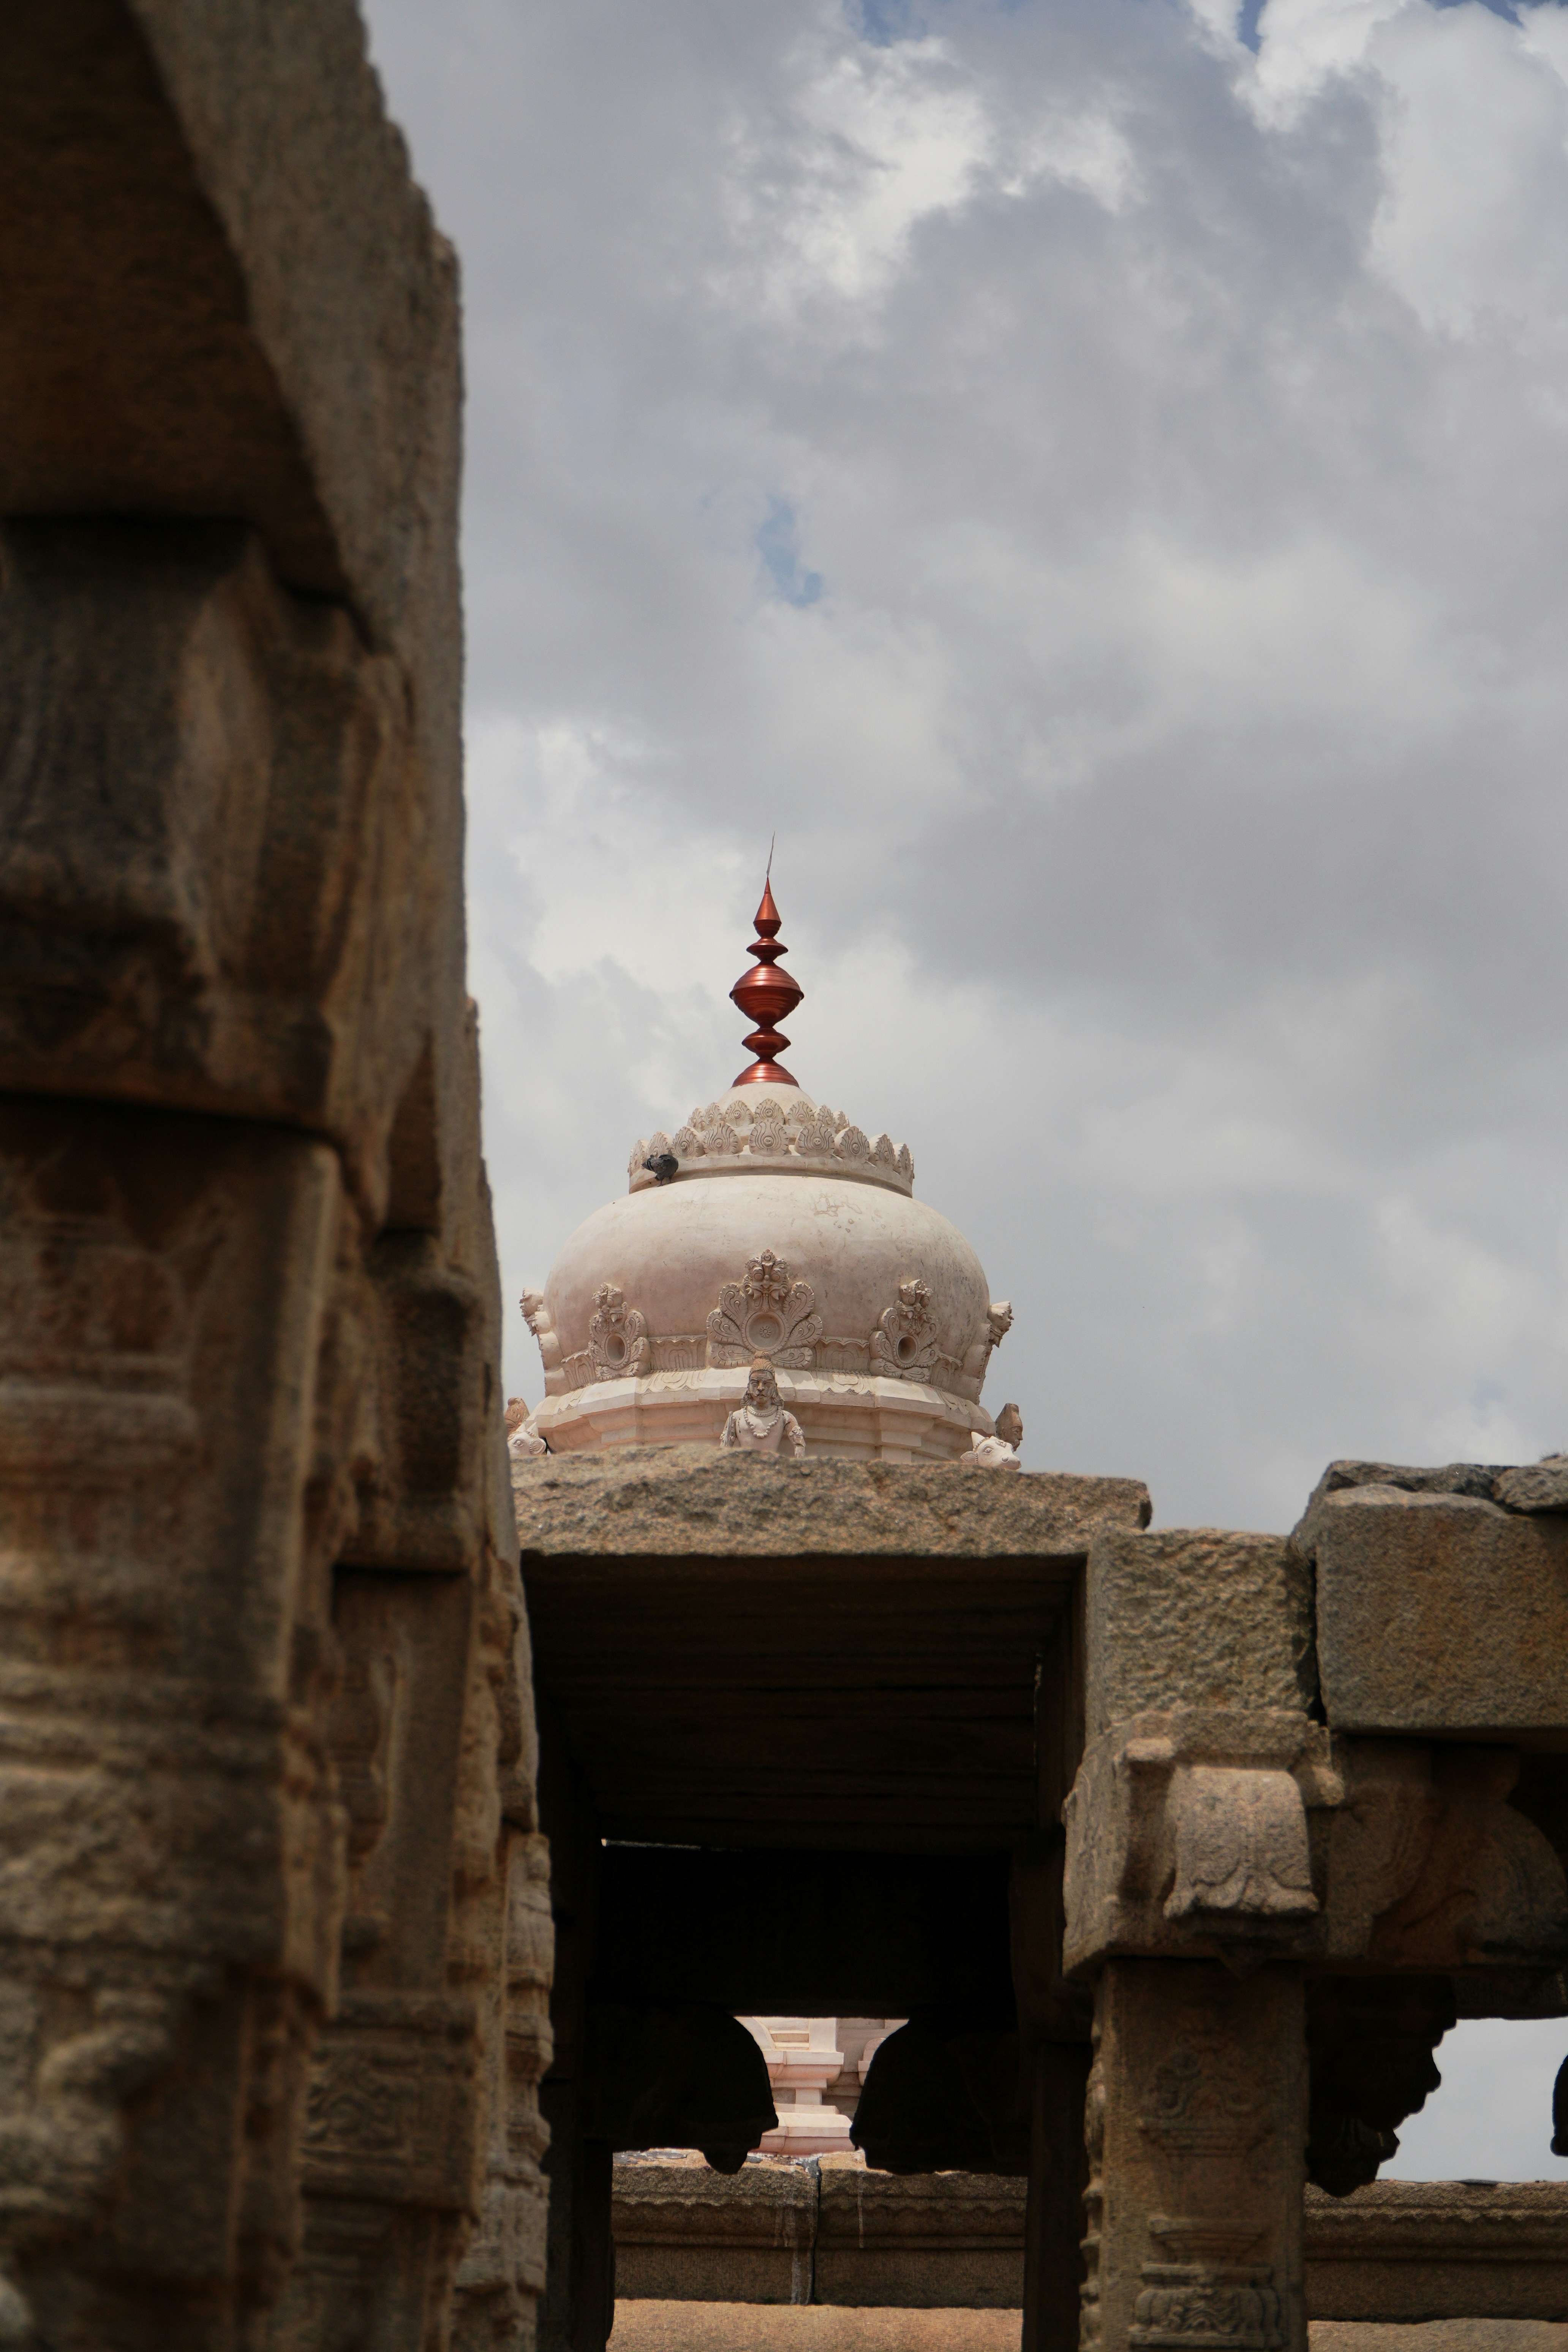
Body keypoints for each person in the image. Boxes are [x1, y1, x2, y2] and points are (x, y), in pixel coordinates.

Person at [720, 1356, 806, 1456]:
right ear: (749, 1387)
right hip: (744, 1468)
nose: (761, 1388)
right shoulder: (736, 1417)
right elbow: (724, 1449)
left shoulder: (785, 1417)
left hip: (775, 1468)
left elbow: (800, 1445)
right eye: (755, 1383)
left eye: (767, 1383)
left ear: (774, 1387)